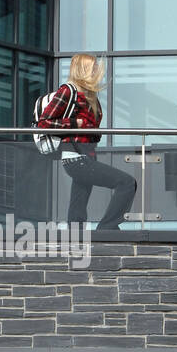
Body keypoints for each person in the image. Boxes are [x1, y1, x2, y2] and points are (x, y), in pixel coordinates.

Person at [37, 53, 137, 231]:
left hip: (87, 156)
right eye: (93, 67)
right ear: (83, 69)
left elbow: (92, 132)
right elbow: (44, 122)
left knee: (79, 201)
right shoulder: (68, 91)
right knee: (126, 182)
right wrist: (76, 123)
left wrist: (92, 131)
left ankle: (74, 234)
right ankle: (108, 227)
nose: (97, 71)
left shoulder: (91, 97)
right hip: (75, 157)